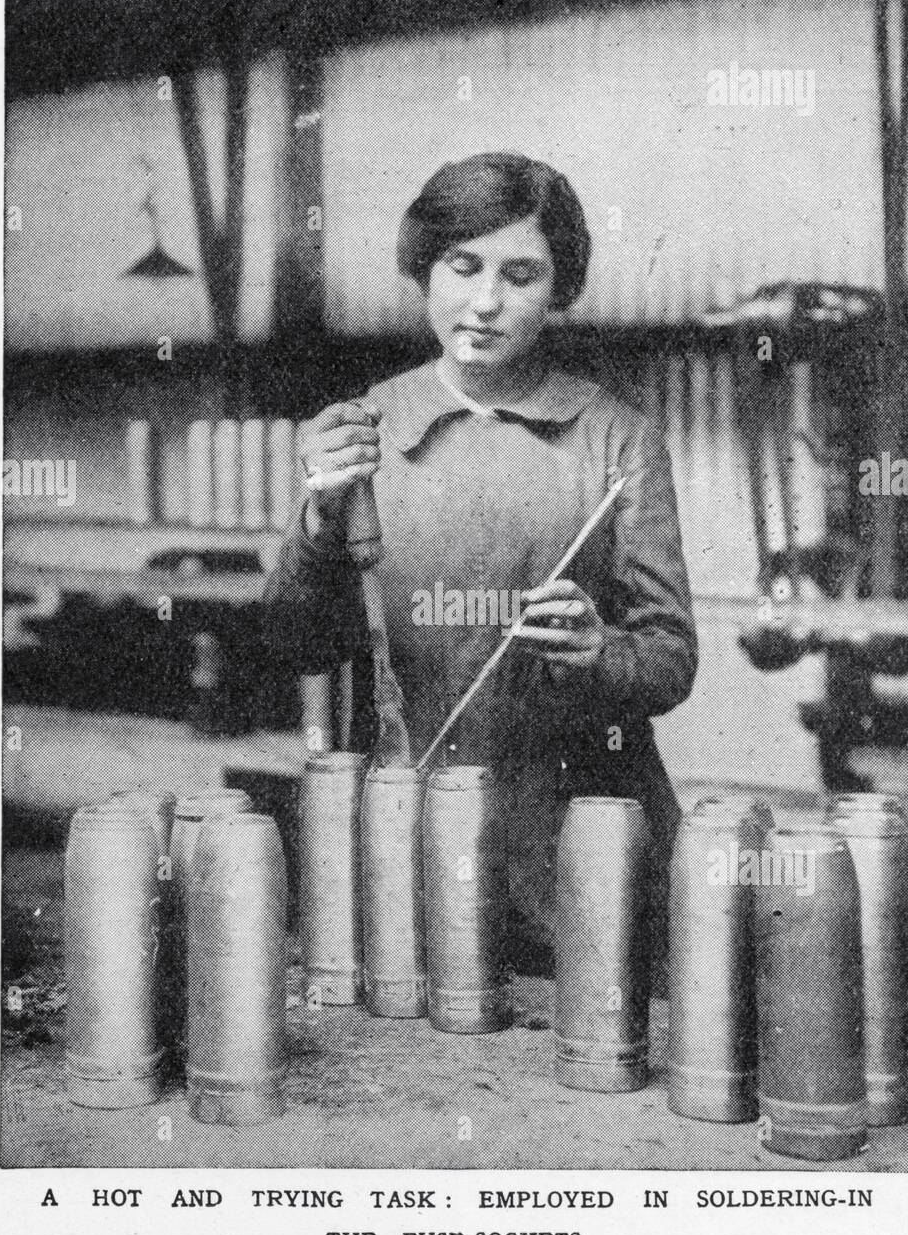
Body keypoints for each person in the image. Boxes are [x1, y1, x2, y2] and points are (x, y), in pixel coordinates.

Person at [263, 151, 697, 980]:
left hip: (585, 861)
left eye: (521, 274)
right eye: (463, 266)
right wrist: (321, 515)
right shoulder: (362, 430)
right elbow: (293, 644)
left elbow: (671, 662)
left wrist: (599, 653)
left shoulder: (618, 438)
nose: (487, 301)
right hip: (412, 854)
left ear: (558, 289)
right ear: (423, 268)